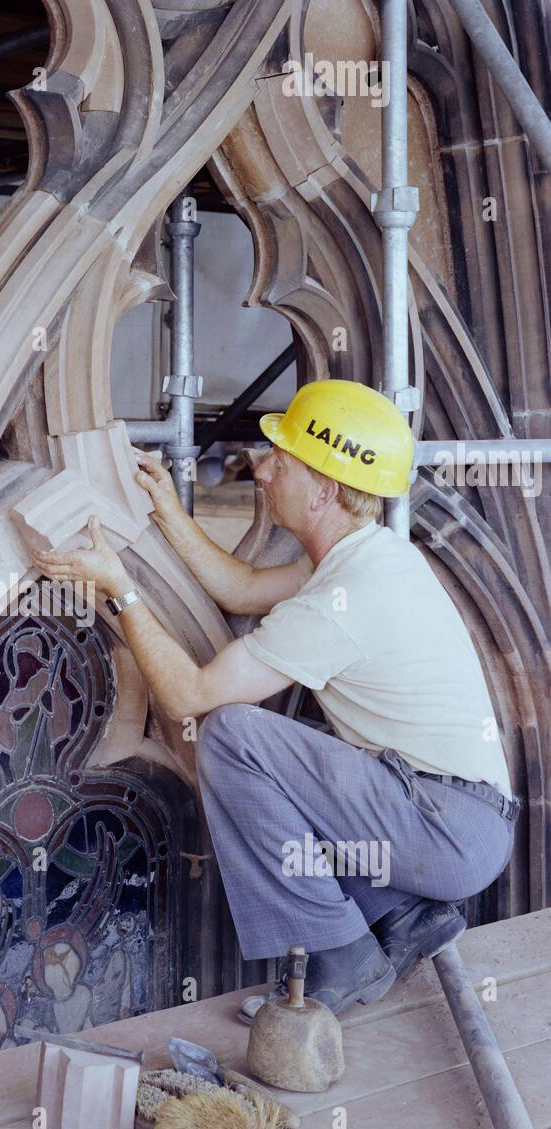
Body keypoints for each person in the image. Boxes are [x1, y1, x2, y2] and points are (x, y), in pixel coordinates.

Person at [31, 380, 518, 1020]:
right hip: (455, 821)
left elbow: (190, 696)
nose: (259, 471)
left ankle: (337, 954)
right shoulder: (361, 560)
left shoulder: (345, 600)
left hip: (444, 826)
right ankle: (399, 916)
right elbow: (241, 588)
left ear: (323, 490)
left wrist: (120, 589)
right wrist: (165, 512)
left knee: (235, 735)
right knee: (282, 766)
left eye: (279, 462)